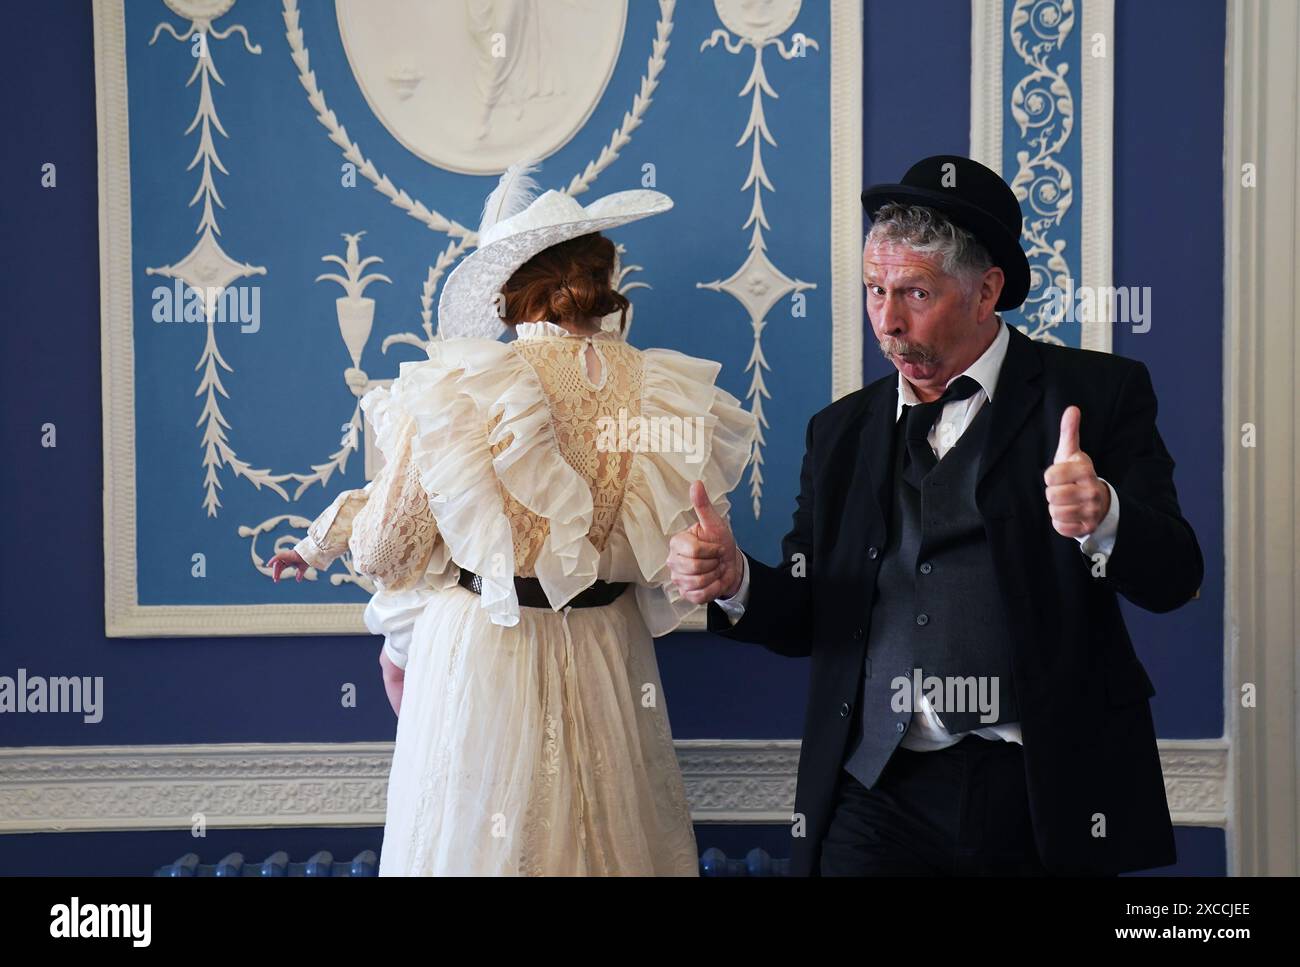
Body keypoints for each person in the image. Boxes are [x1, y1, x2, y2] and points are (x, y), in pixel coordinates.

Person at [667, 154, 1203, 876]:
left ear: (986, 293)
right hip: (876, 789)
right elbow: (811, 615)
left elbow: (1177, 574)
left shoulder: (1096, 395)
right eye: (874, 290)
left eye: (915, 292)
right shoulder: (841, 432)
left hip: (1040, 787)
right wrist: (737, 580)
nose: (887, 321)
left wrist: (1104, 515)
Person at [272, 164, 756, 875]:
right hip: (607, 652)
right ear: (598, 275)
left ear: (513, 286)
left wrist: (331, 542)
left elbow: (385, 547)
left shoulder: (471, 384)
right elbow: (682, 544)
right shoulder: (664, 392)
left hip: (485, 653)